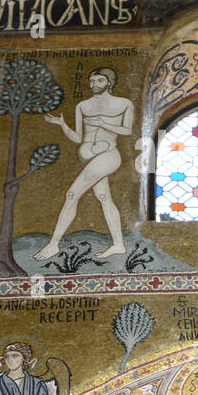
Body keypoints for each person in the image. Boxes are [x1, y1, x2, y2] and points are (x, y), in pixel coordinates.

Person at [34, 68, 134, 262]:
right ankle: (118, 244)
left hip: (108, 156)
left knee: (72, 194)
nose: (94, 84)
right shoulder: (82, 106)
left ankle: (54, 244)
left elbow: (127, 131)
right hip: (87, 158)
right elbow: (78, 138)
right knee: (104, 197)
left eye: (99, 80)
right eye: (92, 80)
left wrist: (103, 123)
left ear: (109, 82)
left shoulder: (123, 104)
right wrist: (62, 124)